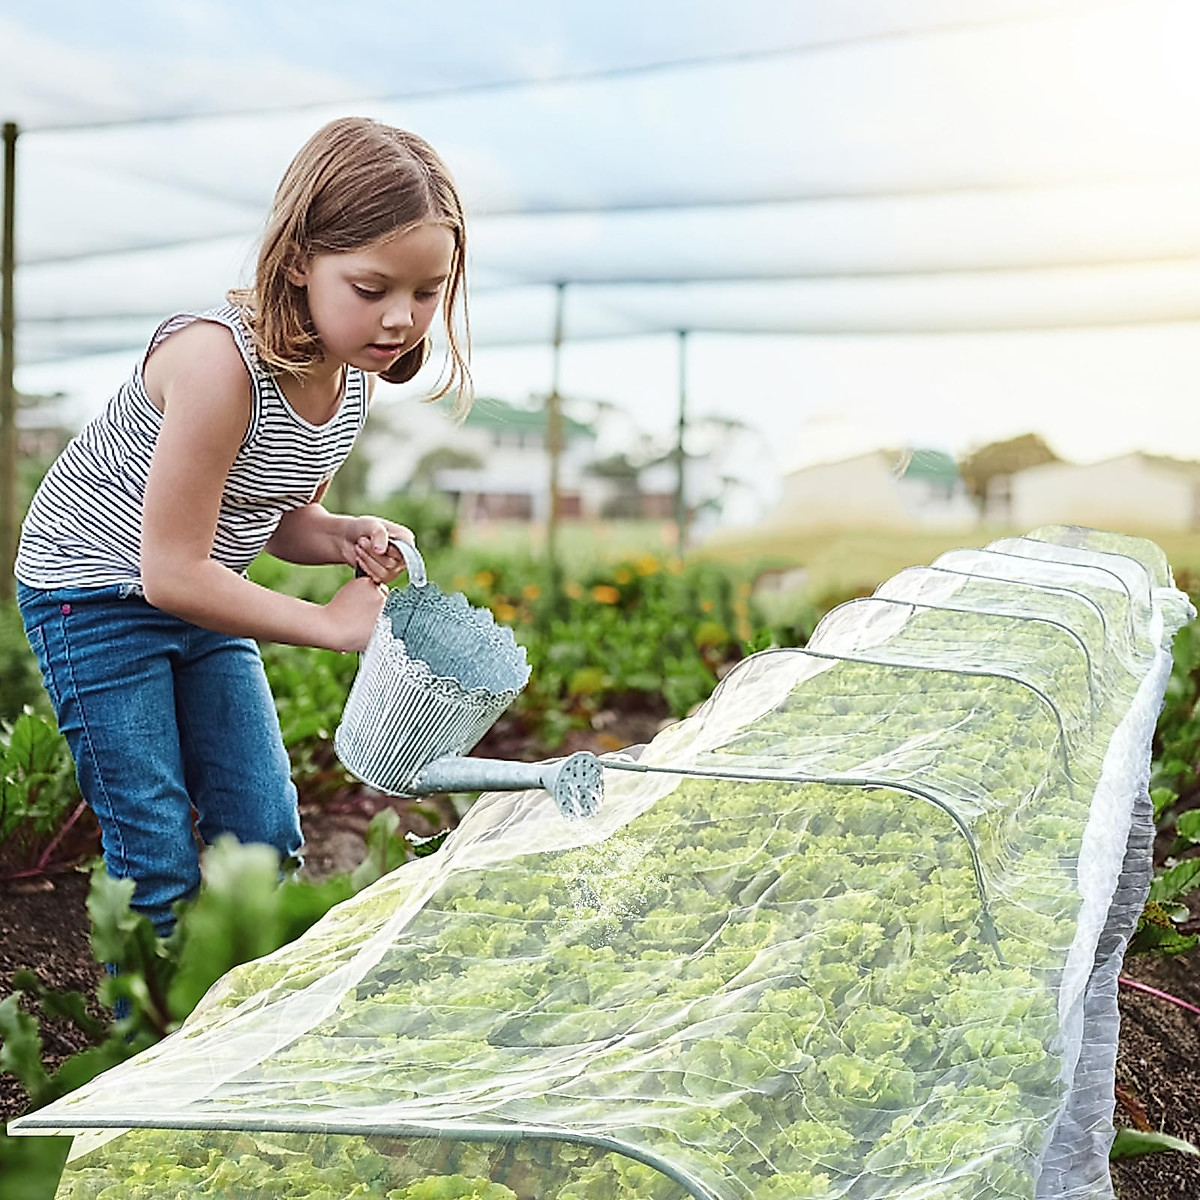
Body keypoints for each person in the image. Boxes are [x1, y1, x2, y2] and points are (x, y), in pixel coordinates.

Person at [15, 116, 472, 938]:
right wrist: (329, 625)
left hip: (200, 594)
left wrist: (342, 535)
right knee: (155, 854)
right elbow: (170, 571)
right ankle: (149, 1017)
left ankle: (247, 1002)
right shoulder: (218, 365)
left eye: (425, 292)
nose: (400, 320)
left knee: (263, 832)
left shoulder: (349, 380)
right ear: (298, 259)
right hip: (93, 598)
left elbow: (281, 519)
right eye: (371, 289)